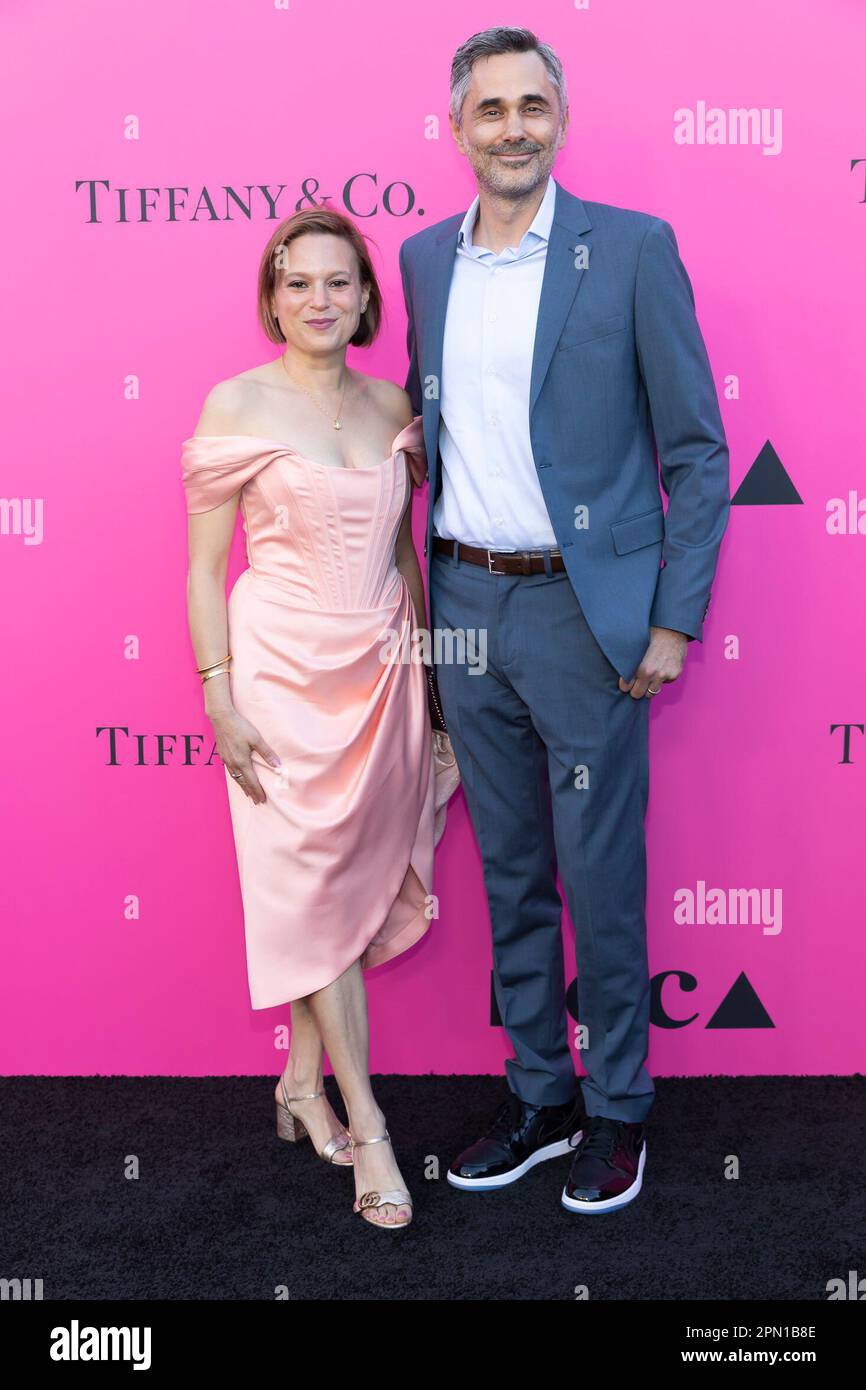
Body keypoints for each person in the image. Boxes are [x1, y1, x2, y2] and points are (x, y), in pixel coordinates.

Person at [398, 26, 730, 1213]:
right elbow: (429, 430)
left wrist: (672, 620)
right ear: (456, 129)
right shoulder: (422, 259)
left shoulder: (630, 251)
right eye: (489, 110)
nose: (512, 128)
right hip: (464, 604)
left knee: (600, 877)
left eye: (531, 106)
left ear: (561, 118)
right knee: (507, 866)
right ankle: (539, 1093)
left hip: (586, 617)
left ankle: (619, 1109)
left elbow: (695, 452)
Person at [181, 207, 458, 1230]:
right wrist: (217, 691)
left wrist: (425, 678)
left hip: (380, 667)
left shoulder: (391, 403)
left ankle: (300, 1081)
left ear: (366, 300)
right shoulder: (236, 405)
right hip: (280, 676)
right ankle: (369, 1125)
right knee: (312, 877)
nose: (318, 300)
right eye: (298, 283)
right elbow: (206, 569)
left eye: (338, 283)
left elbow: (400, 557)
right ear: (271, 297)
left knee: (343, 885)